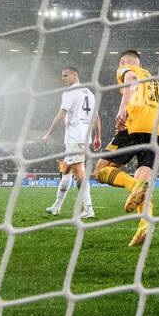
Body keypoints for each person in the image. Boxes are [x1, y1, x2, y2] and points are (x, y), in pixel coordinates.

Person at [90, 50, 159, 247]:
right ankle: (144, 224)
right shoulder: (154, 80)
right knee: (143, 176)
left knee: (100, 170)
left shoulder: (128, 68)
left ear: (123, 61)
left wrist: (122, 108)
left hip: (137, 123)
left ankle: (132, 186)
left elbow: (130, 79)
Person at [41, 66, 100, 219]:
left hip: (75, 137)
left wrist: (48, 134)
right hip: (83, 138)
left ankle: (88, 208)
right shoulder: (89, 93)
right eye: (62, 76)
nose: (63, 78)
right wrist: (97, 137)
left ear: (75, 75)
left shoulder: (70, 92)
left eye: (65, 75)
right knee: (66, 170)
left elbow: (62, 114)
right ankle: (57, 206)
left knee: (79, 170)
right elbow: (96, 117)